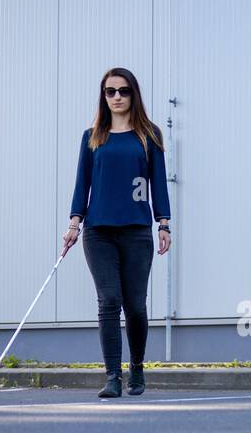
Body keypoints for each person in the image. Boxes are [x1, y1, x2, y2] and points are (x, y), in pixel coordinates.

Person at [61, 68, 172, 399]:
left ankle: (137, 367)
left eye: (123, 91)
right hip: (99, 232)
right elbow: (82, 184)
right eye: (110, 92)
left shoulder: (148, 135)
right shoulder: (93, 136)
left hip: (137, 231)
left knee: (135, 305)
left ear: (133, 94)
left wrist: (163, 223)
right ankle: (113, 376)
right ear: (103, 96)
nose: (117, 97)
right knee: (109, 301)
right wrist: (73, 223)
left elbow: (159, 183)